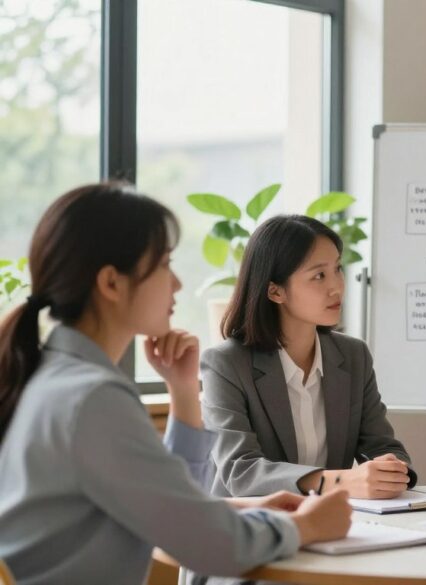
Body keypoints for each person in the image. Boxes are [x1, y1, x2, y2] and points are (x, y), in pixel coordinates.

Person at [0, 183, 350, 585]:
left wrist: (183, 393)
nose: (178, 284)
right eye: (165, 264)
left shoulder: (56, 376)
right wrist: (308, 527)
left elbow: (167, 500)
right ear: (111, 283)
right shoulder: (94, 398)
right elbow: (206, 545)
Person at [202, 215, 415, 499]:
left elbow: (381, 445)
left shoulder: (353, 355)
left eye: (338, 269)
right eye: (319, 275)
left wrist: (390, 468)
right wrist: (338, 482)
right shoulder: (226, 364)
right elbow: (241, 471)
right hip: (252, 528)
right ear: (275, 291)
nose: (337, 286)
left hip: (333, 525)